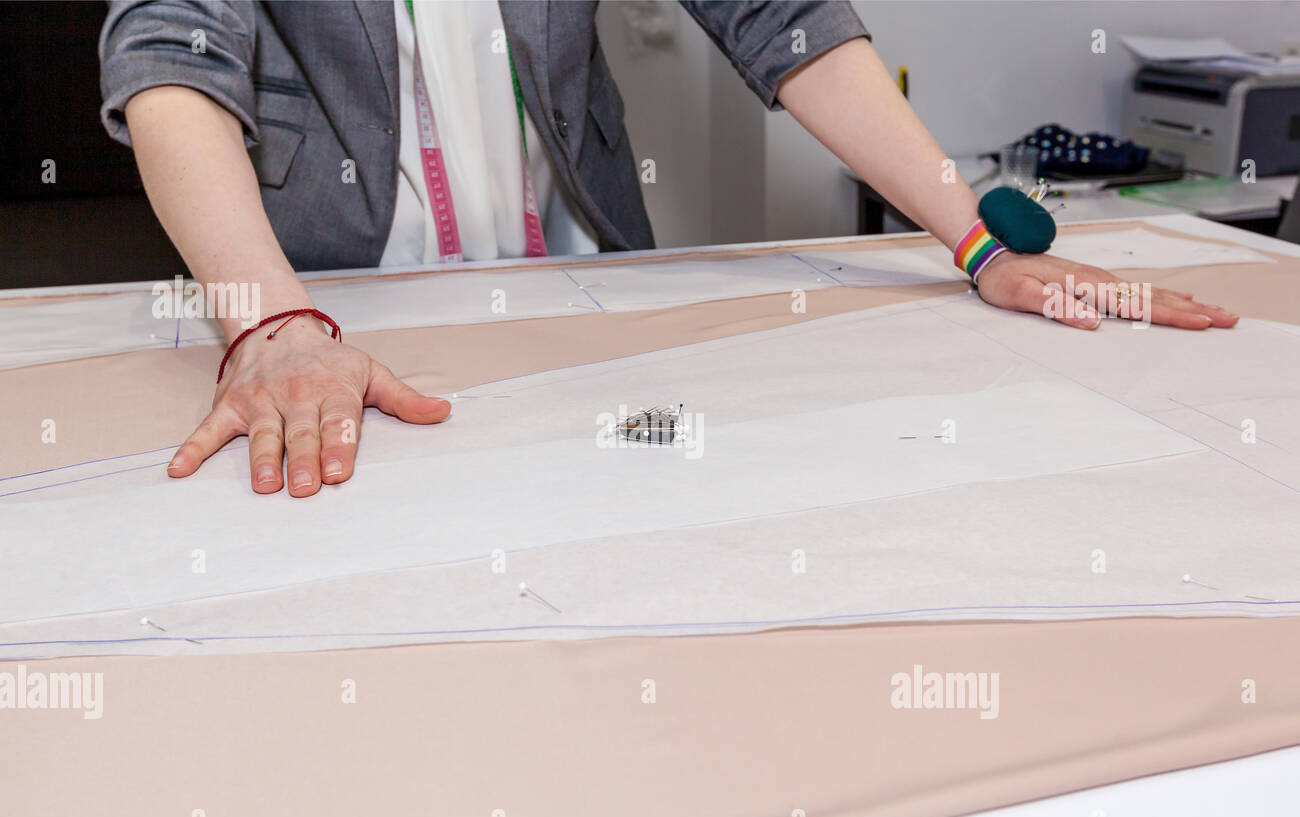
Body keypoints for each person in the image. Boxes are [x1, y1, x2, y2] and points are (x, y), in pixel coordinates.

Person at [99, 0, 1239, 498]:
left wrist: (978, 242)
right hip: (335, 307)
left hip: (577, 280)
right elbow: (169, 57)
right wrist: (269, 320)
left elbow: (779, 12)